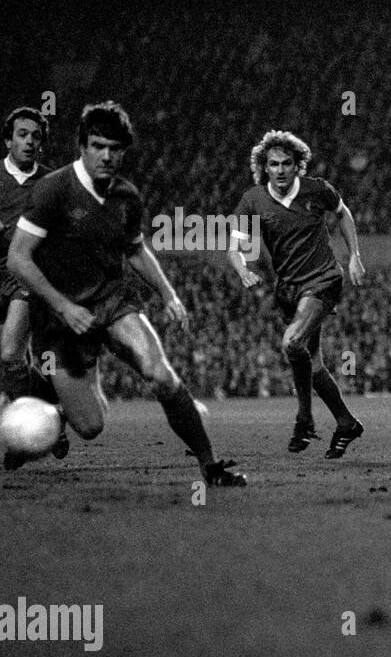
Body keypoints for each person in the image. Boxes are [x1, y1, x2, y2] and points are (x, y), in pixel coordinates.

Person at [6, 101, 245, 485]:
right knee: (89, 426)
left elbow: (135, 248)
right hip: (59, 322)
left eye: (115, 149)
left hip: (112, 303)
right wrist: (64, 308)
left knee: (161, 375)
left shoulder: (126, 196)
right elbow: (18, 259)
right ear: (82, 146)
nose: (107, 156)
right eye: (98, 146)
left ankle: (211, 467)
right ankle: (44, 380)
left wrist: (169, 294)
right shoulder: (52, 191)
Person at [227, 130, 366, 458]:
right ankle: (346, 422)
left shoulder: (317, 190)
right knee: (313, 363)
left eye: (286, 163)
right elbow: (233, 247)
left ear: (297, 165)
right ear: (264, 166)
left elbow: (343, 213)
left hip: (323, 280)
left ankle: (304, 418)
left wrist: (355, 255)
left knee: (291, 343)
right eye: (273, 164)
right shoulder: (253, 200)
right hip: (288, 289)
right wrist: (243, 270)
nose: (280, 170)